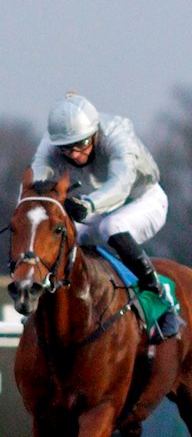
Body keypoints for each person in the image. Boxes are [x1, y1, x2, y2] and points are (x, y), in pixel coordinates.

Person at [29, 92, 182, 340]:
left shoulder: (118, 136)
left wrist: (88, 205)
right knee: (62, 234)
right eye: (67, 149)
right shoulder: (51, 143)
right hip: (97, 205)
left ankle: (157, 292)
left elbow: (120, 187)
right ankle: (45, 301)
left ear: (94, 132)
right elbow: (33, 186)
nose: (76, 155)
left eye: (82, 144)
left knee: (112, 226)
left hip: (143, 199)